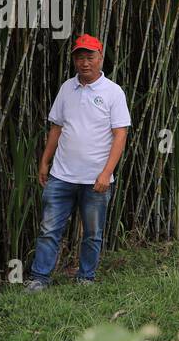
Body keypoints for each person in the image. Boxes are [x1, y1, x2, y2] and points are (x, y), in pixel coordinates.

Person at [25, 34, 130, 291]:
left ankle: (86, 278)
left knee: (92, 233)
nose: (85, 63)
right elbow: (56, 128)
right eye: (80, 57)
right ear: (74, 60)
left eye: (90, 57)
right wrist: (44, 161)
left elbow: (120, 135)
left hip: (96, 178)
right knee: (49, 229)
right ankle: (40, 278)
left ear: (100, 57)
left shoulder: (113, 92)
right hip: (61, 175)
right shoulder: (66, 89)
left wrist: (107, 173)